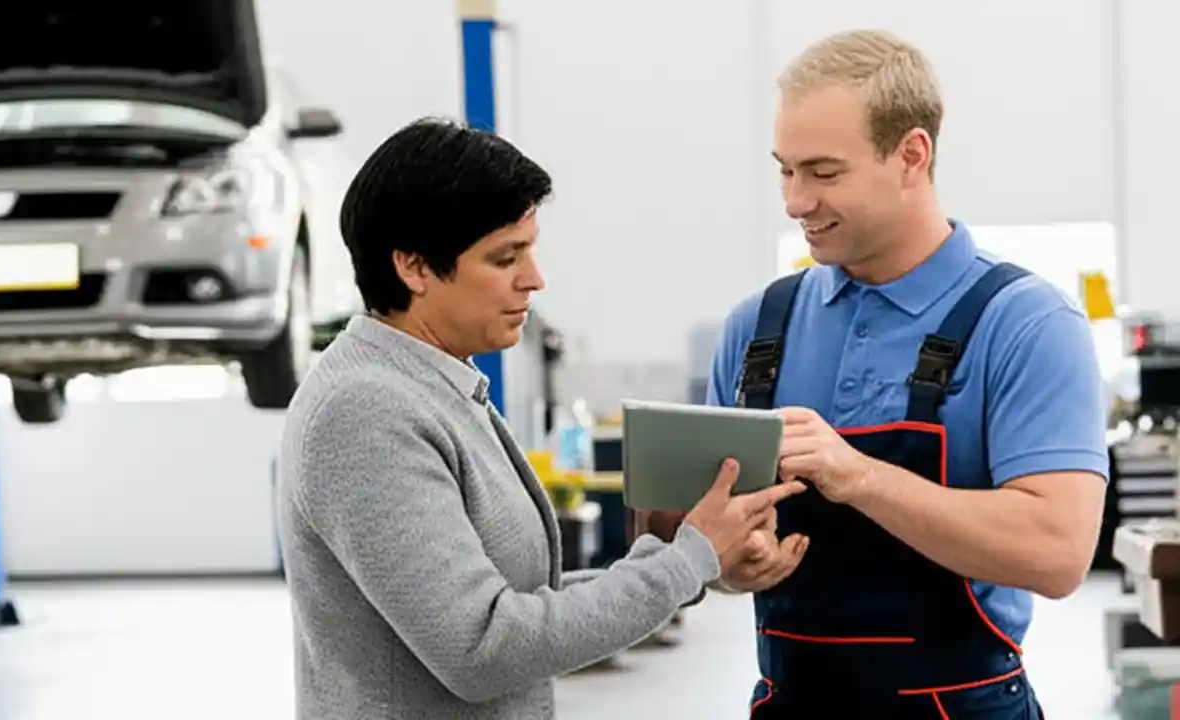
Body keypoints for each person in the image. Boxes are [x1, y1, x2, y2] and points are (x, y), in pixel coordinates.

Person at [275, 117, 805, 720]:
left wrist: (680, 558)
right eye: (505, 258)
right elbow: (484, 646)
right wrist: (686, 561)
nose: (534, 279)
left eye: (530, 251)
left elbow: (527, 604)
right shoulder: (366, 411)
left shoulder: (430, 384)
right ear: (414, 267)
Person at [704, 29, 1109, 717]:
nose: (795, 201)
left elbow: (1057, 553)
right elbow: (689, 530)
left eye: (824, 173)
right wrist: (724, 565)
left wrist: (858, 475)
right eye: (785, 169)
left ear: (911, 156)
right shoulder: (757, 329)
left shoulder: (1027, 325)